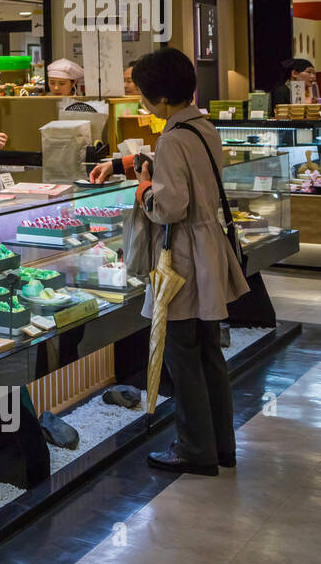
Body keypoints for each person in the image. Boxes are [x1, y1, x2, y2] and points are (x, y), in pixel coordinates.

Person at [93, 47, 248, 476]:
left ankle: (194, 449)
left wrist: (142, 191)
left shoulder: (174, 138)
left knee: (181, 352)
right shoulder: (202, 128)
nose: (140, 100)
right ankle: (220, 444)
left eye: (141, 92)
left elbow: (170, 206)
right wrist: (128, 164)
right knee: (208, 352)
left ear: (160, 98)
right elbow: (185, 179)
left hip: (182, 258)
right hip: (208, 250)